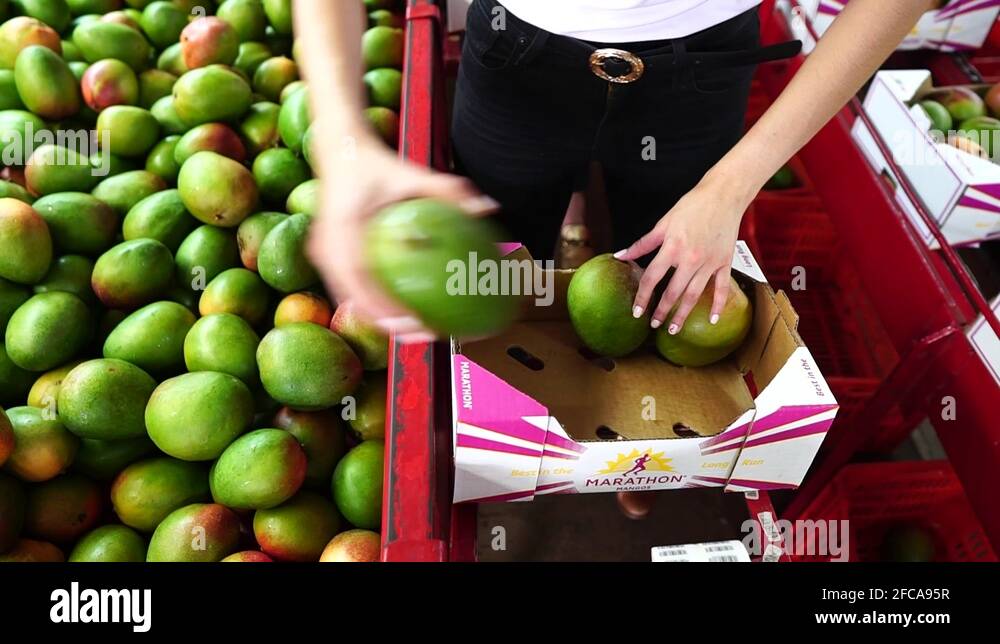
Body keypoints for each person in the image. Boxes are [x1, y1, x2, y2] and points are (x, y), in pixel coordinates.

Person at [295, 0, 932, 517]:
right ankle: (513, 451)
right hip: (517, 50)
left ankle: (641, 448)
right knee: (495, 286)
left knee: (663, 293)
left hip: (701, 65)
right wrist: (342, 143)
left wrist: (729, 187)